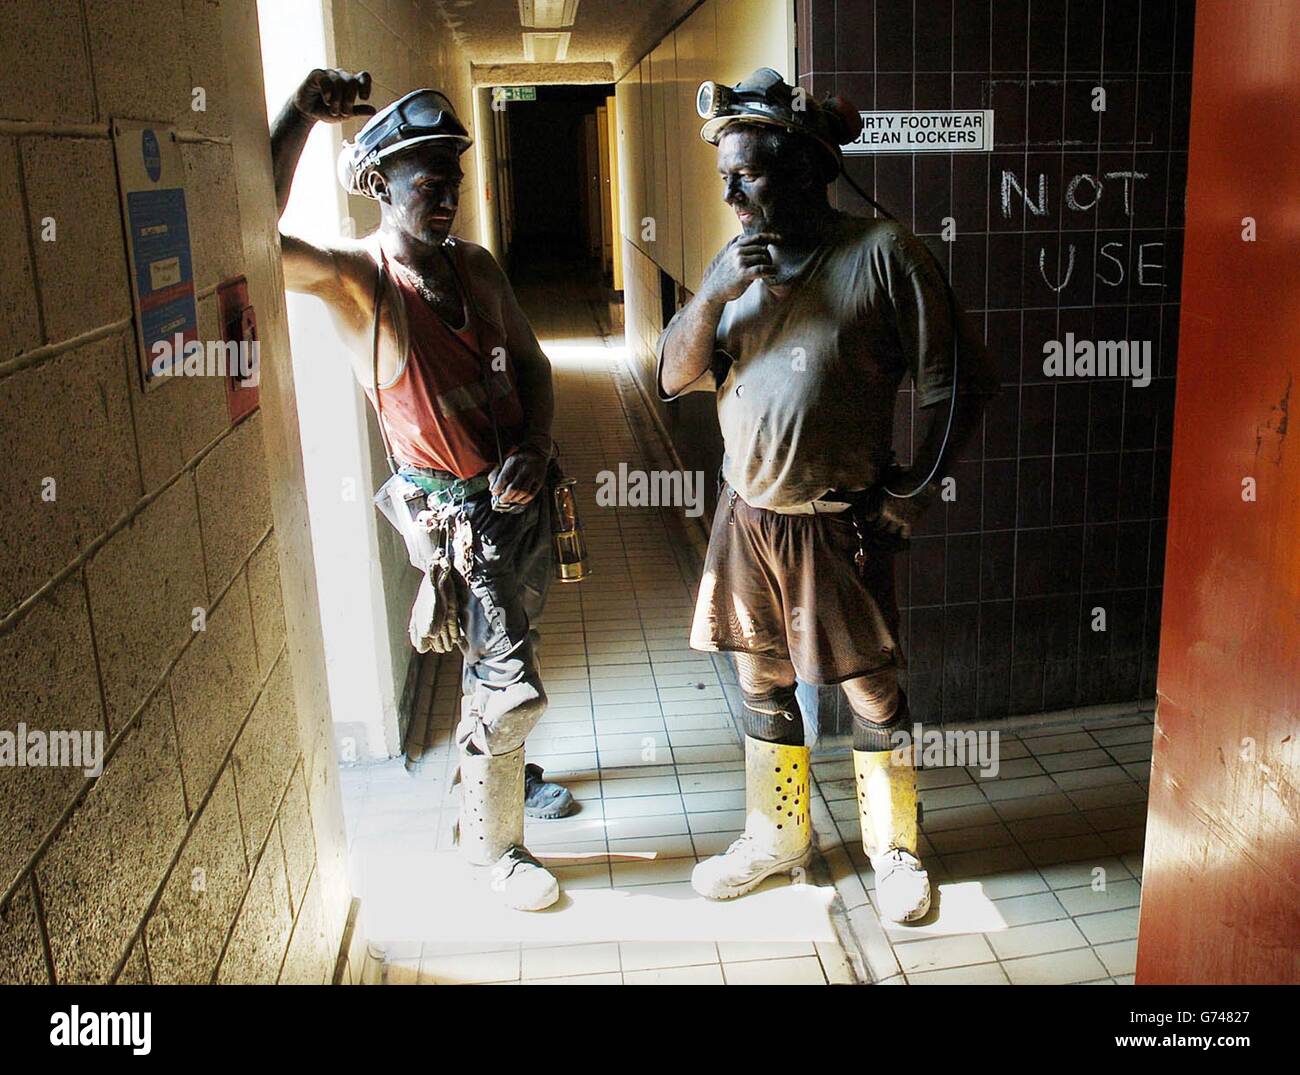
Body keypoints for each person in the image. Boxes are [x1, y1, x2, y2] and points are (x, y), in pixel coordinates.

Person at [657, 69, 997, 922]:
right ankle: (779, 838)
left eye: (752, 173)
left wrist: (916, 487)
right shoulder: (731, 270)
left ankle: (894, 846)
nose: (733, 192)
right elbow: (671, 373)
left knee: (871, 690)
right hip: (748, 518)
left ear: (807, 167)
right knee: (761, 680)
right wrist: (710, 295)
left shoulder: (882, 253)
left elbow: (961, 383)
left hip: (837, 524)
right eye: (724, 175)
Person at [271, 68, 574, 911]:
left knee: (505, 656)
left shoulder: (475, 268)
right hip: (461, 522)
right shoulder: (359, 284)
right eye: (426, 179)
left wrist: (539, 444)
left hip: (521, 504)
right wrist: (300, 115)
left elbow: (539, 366)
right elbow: (247, 232)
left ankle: (505, 769)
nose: (447, 194)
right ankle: (496, 850)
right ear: (378, 182)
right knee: (511, 688)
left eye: (455, 177)